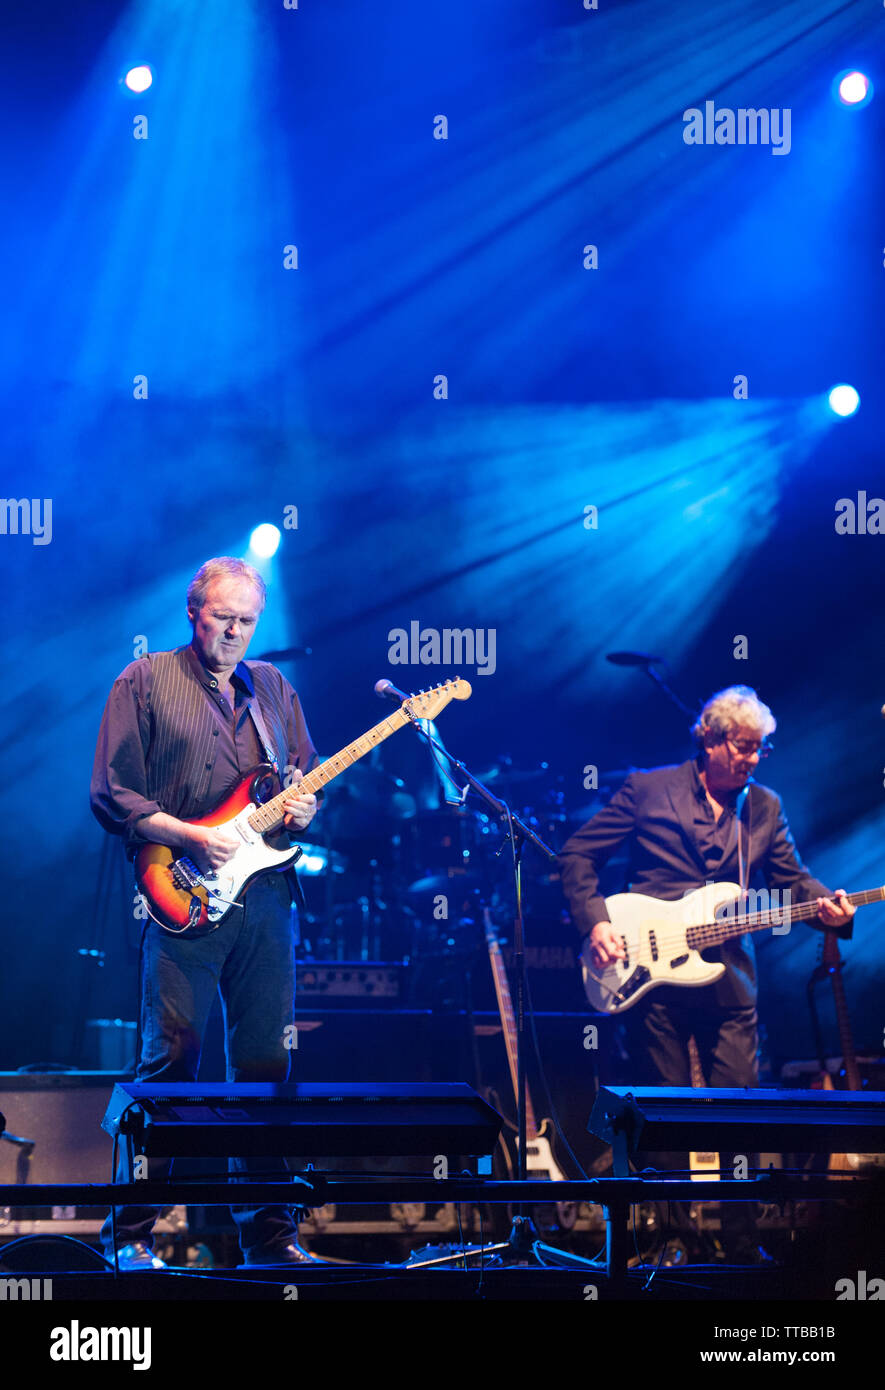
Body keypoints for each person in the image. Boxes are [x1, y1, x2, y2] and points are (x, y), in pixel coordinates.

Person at [558, 684, 855, 1263]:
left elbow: (795, 879)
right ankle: (674, 1240)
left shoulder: (764, 806)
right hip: (651, 970)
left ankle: (742, 1245)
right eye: (744, 747)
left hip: (730, 979)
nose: (752, 758)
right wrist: (595, 923)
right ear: (712, 740)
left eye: (760, 750)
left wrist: (831, 912)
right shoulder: (649, 789)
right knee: (664, 1112)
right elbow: (577, 855)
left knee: (739, 1114)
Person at [91, 556, 319, 1269]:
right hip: (180, 890)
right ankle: (128, 1240)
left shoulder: (273, 688)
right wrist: (193, 836)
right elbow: (112, 793)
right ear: (193, 612)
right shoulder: (146, 679)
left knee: (264, 1065)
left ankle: (270, 1239)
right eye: (222, 617)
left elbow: (300, 784)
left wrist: (306, 807)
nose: (234, 632)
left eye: (247, 621)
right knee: (172, 1061)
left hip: (266, 901)